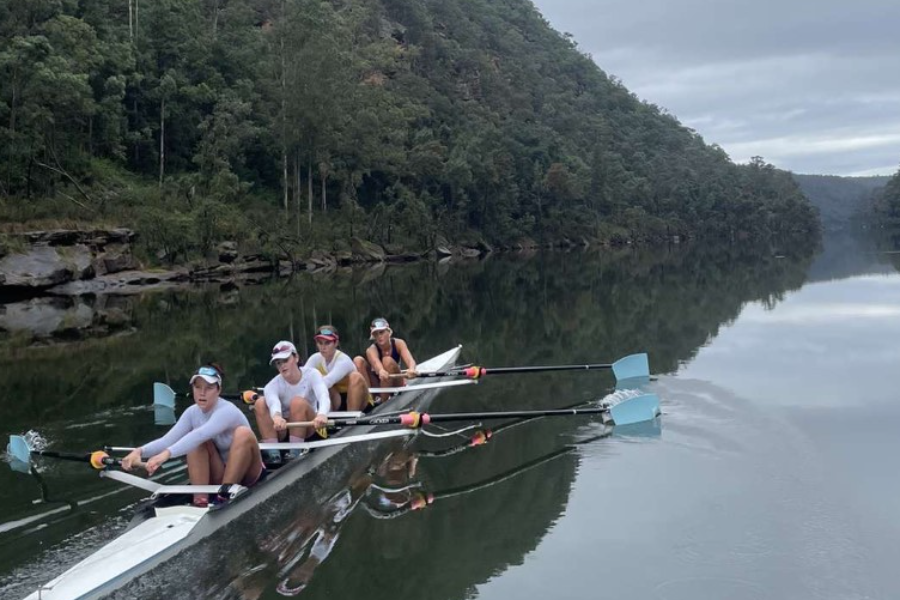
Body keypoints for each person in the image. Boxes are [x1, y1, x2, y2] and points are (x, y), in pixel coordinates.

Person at [122, 364, 265, 506]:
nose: (202, 393)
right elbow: (167, 441)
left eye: (209, 388)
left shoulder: (227, 411)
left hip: (249, 472)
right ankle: (200, 501)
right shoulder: (191, 412)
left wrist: (164, 456)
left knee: (242, 433)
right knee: (195, 443)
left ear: (218, 390)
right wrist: (139, 451)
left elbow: (201, 434)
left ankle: (223, 497)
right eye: (197, 387)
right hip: (221, 473)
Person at [255, 341, 331, 456]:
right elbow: (273, 402)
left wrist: (322, 414)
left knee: (297, 402)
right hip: (284, 429)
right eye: (278, 363)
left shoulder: (312, 374)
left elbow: (323, 396)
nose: (282, 366)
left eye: (285, 360)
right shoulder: (271, 386)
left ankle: (295, 453)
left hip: (311, 427)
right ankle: (273, 454)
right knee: (260, 403)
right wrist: (276, 417)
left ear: (296, 358)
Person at [304, 325, 372, 412]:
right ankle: (327, 420)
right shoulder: (314, 359)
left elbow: (328, 381)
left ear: (336, 343)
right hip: (337, 400)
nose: (323, 347)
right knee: (319, 383)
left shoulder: (343, 360)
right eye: (320, 343)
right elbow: (303, 381)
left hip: (360, 401)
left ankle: (351, 419)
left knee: (355, 376)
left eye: (327, 343)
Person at [353, 318, 417, 401]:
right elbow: (376, 364)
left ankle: (383, 401)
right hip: (380, 382)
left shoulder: (399, 343)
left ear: (388, 332)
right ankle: (369, 399)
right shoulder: (371, 350)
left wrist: (411, 369)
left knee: (387, 361)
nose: (379, 336)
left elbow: (410, 360)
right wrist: (381, 371)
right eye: (376, 334)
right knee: (358, 360)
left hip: (396, 382)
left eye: (381, 332)